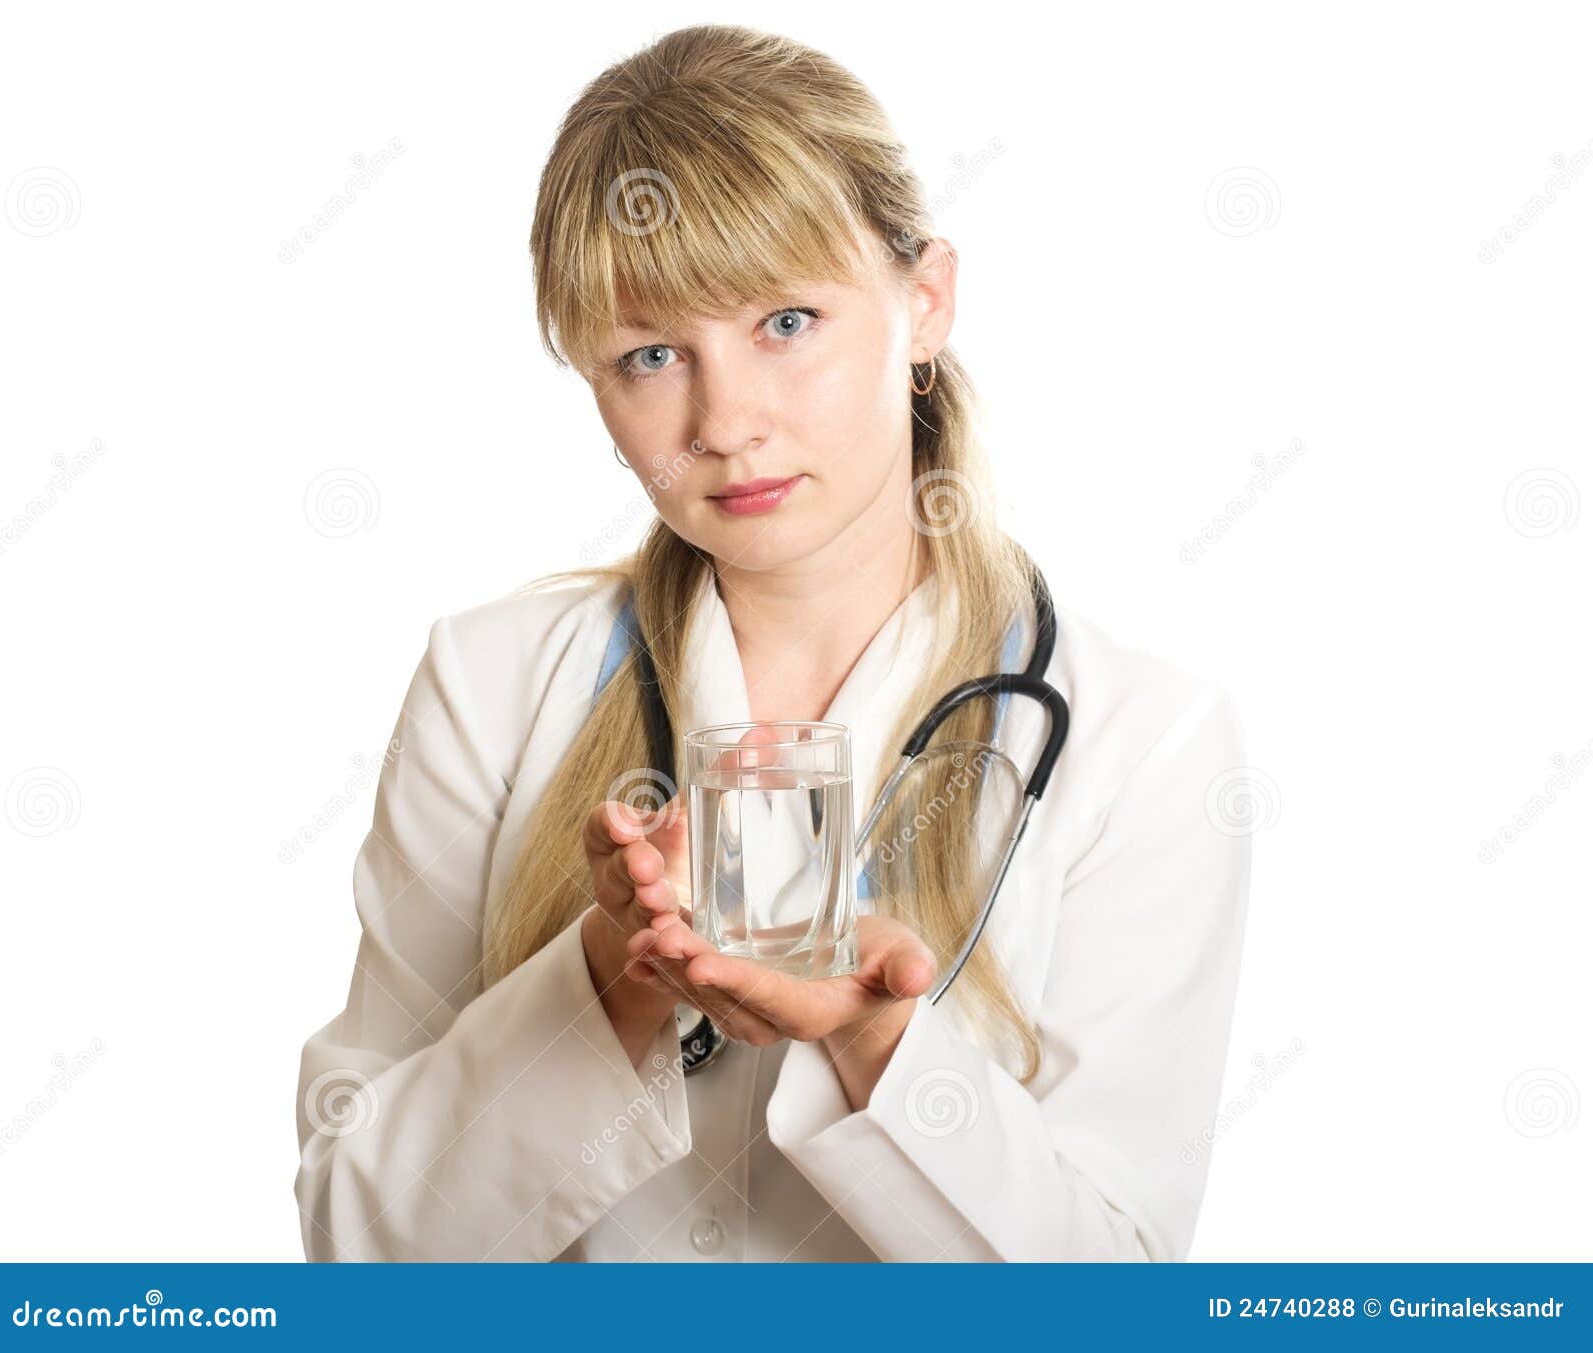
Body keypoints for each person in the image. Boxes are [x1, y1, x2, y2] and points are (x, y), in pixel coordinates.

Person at [292, 22, 1251, 1263]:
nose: (727, 422)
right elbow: (358, 1243)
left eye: (786, 322)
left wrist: (871, 1046)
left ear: (925, 301)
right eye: (651, 356)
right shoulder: (488, 685)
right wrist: (612, 971)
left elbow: (1111, 1294)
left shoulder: (1144, 741)